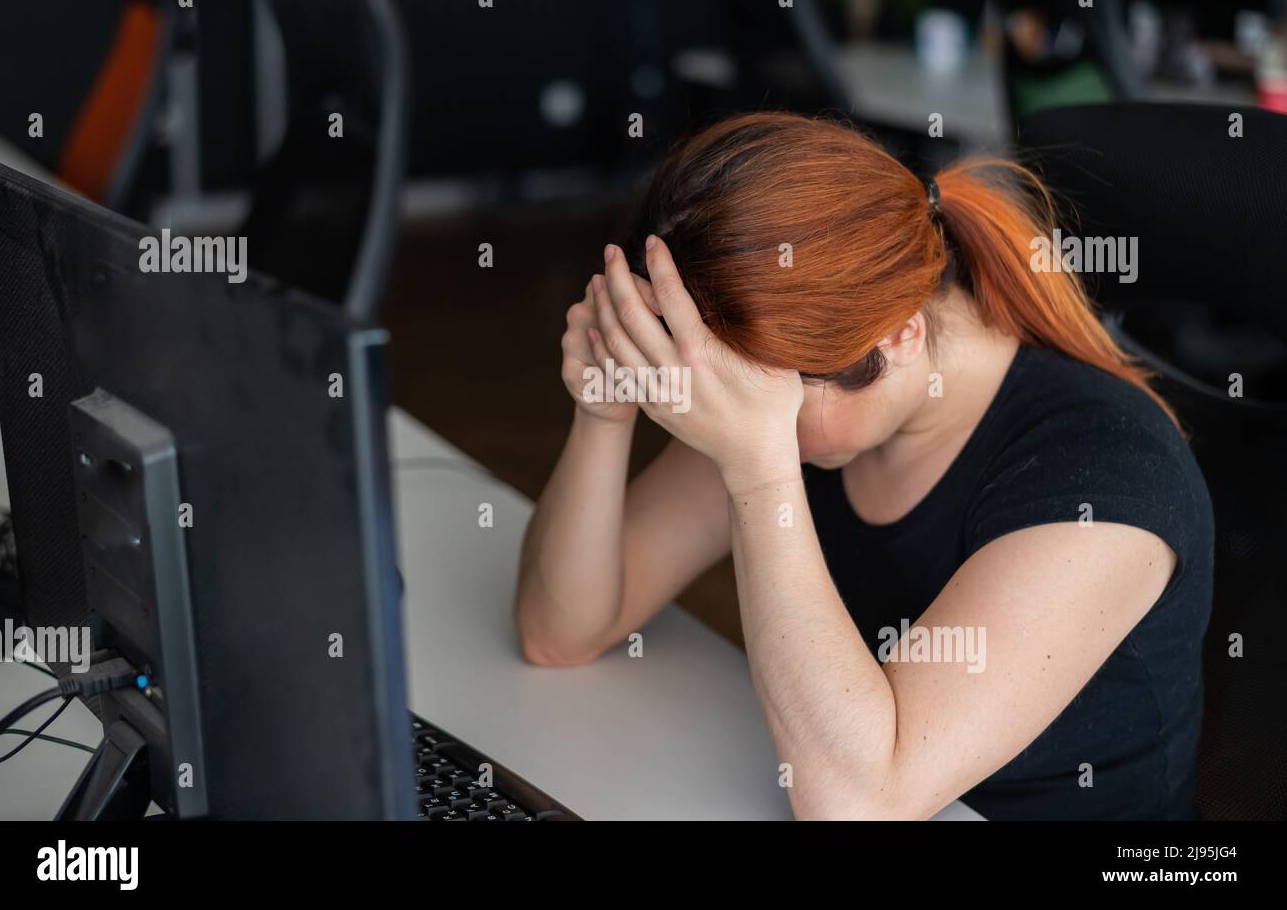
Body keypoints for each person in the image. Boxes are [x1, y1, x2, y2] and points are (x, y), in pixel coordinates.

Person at [513, 112, 1213, 820]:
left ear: (902, 335)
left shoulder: (1104, 479)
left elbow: (857, 802)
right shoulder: (797, 399)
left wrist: (761, 469)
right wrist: (605, 412)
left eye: (756, 399)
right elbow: (560, 632)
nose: (734, 416)